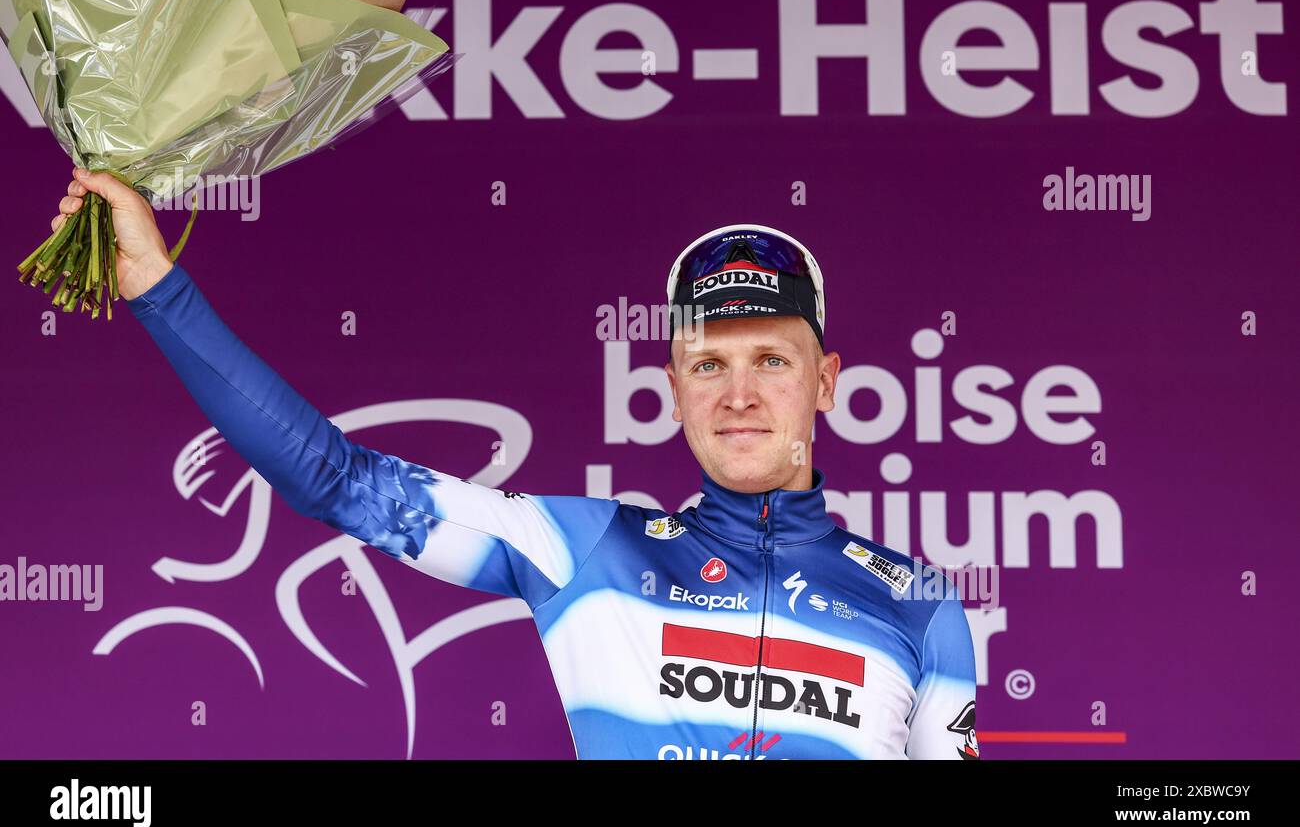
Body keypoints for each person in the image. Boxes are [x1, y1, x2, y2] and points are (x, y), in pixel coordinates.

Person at [55, 167, 980, 760]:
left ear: (826, 383)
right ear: (672, 386)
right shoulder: (586, 546)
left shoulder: (921, 606)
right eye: (709, 363)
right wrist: (155, 288)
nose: (739, 395)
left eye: (772, 360)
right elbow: (332, 479)